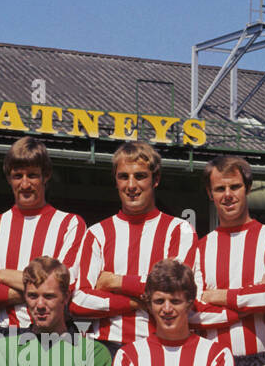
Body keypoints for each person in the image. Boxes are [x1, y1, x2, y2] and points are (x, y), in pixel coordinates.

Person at [69, 142, 196, 353]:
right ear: (116, 181)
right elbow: (79, 303)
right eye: (123, 177)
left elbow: (175, 289)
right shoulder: (96, 233)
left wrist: (115, 281)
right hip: (103, 348)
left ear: (156, 179)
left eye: (139, 176)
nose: (131, 185)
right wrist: (136, 303)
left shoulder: (180, 230)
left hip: (159, 345)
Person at [0, 136, 85, 335]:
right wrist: (44, 292)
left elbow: (68, 286)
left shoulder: (70, 224)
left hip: (52, 334)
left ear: (46, 176)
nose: (24, 184)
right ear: (8, 178)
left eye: (32, 175)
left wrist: (4, 275)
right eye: (17, 175)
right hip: (3, 334)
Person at [187, 155, 265, 366]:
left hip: (264, 357)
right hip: (214, 360)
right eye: (219, 189)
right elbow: (193, 311)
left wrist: (219, 296)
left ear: (248, 188)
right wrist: (251, 299)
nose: (227, 195)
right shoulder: (201, 247)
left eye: (235, 187)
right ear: (210, 193)